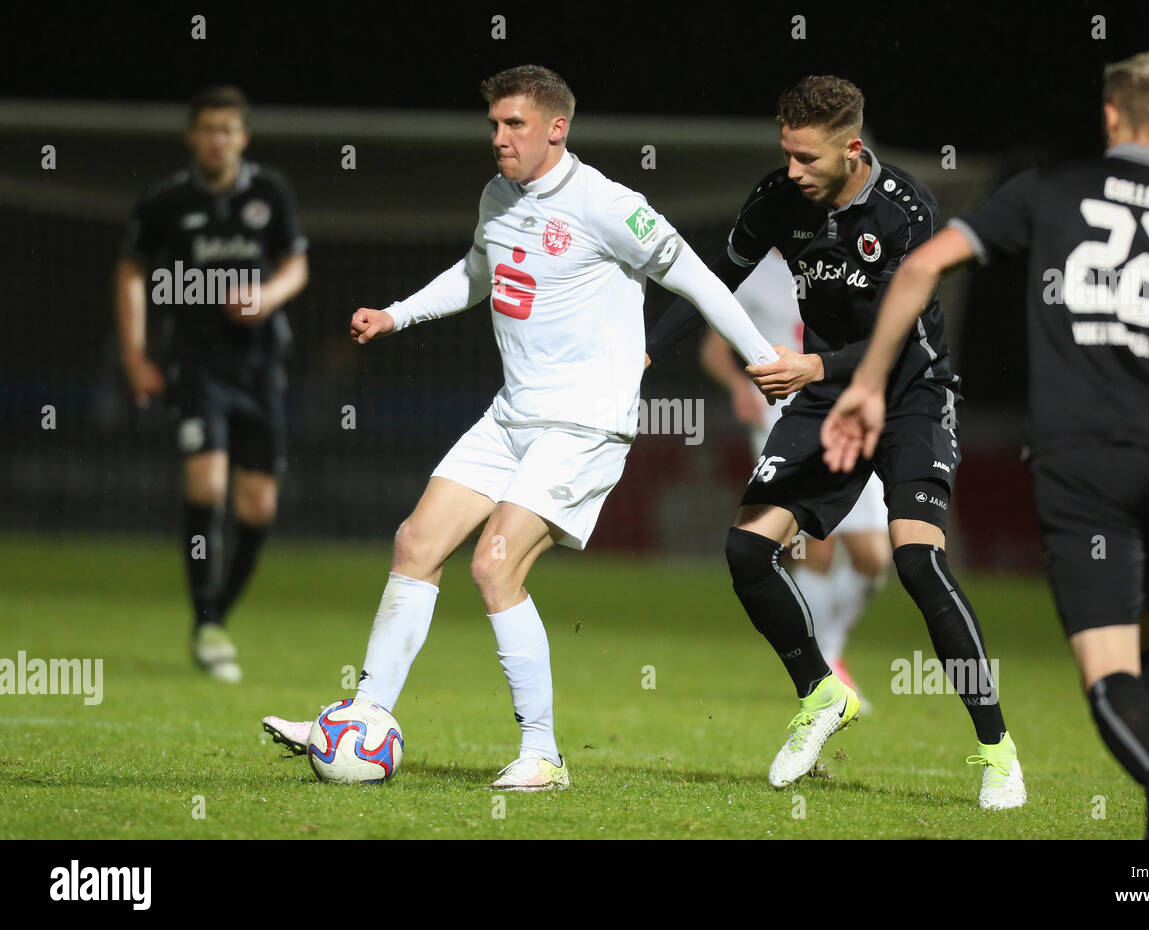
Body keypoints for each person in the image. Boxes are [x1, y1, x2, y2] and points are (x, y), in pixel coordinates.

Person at [823, 51, 1149, 838]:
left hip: (1080, 459)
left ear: (1110, 116)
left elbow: (922, 269)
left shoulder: (1051, 190)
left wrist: (870, 382)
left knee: (1108, 672)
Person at [262, 65, 778, 790]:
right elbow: (479, 270)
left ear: (557, 128)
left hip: (584, 424)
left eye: (516, 126)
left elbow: (695, 276)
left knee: (494, 563)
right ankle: (365, 715)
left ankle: (544, 754)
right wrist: (396, 313)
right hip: (511, 416)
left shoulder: (607, 204)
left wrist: (761, 356)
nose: (500, 139)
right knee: (416, 542)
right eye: (495, 125)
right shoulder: (498, 195)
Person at [646, 76, 1025, 805]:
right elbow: (716, 279)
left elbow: (907, 343)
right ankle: (822, 693)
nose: (792, 171)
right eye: (786, 154)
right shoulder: (779, 199)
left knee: (916, 561)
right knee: (746, 550)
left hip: (912, 394)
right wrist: (647, 351)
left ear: (853, 149)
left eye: (807, 159)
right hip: (822, 398)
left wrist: (815, 364)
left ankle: (996, 750)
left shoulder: (908, 209)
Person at [116, 86, 309, 683]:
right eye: (207, 128)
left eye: (228, 129)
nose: (217, 139)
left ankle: (214, 618)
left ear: (242, 138)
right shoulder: (166, 202)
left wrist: (267, 296)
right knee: (208, 484)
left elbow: (295, 264)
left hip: (260, 368)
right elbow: (130, 270)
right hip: (196, 367)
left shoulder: (269, 193)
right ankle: (206, 618)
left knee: (259, 504)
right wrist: (134, 354)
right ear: (192, 136)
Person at [698, 249, 890, 700]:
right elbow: (712, 350)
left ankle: (831, 649)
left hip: (847, 414)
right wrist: (739, 386)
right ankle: (826, 670)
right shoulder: (755, 272)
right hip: (784, 422)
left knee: (874, 557)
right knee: (814, 550)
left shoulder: (843, 257)